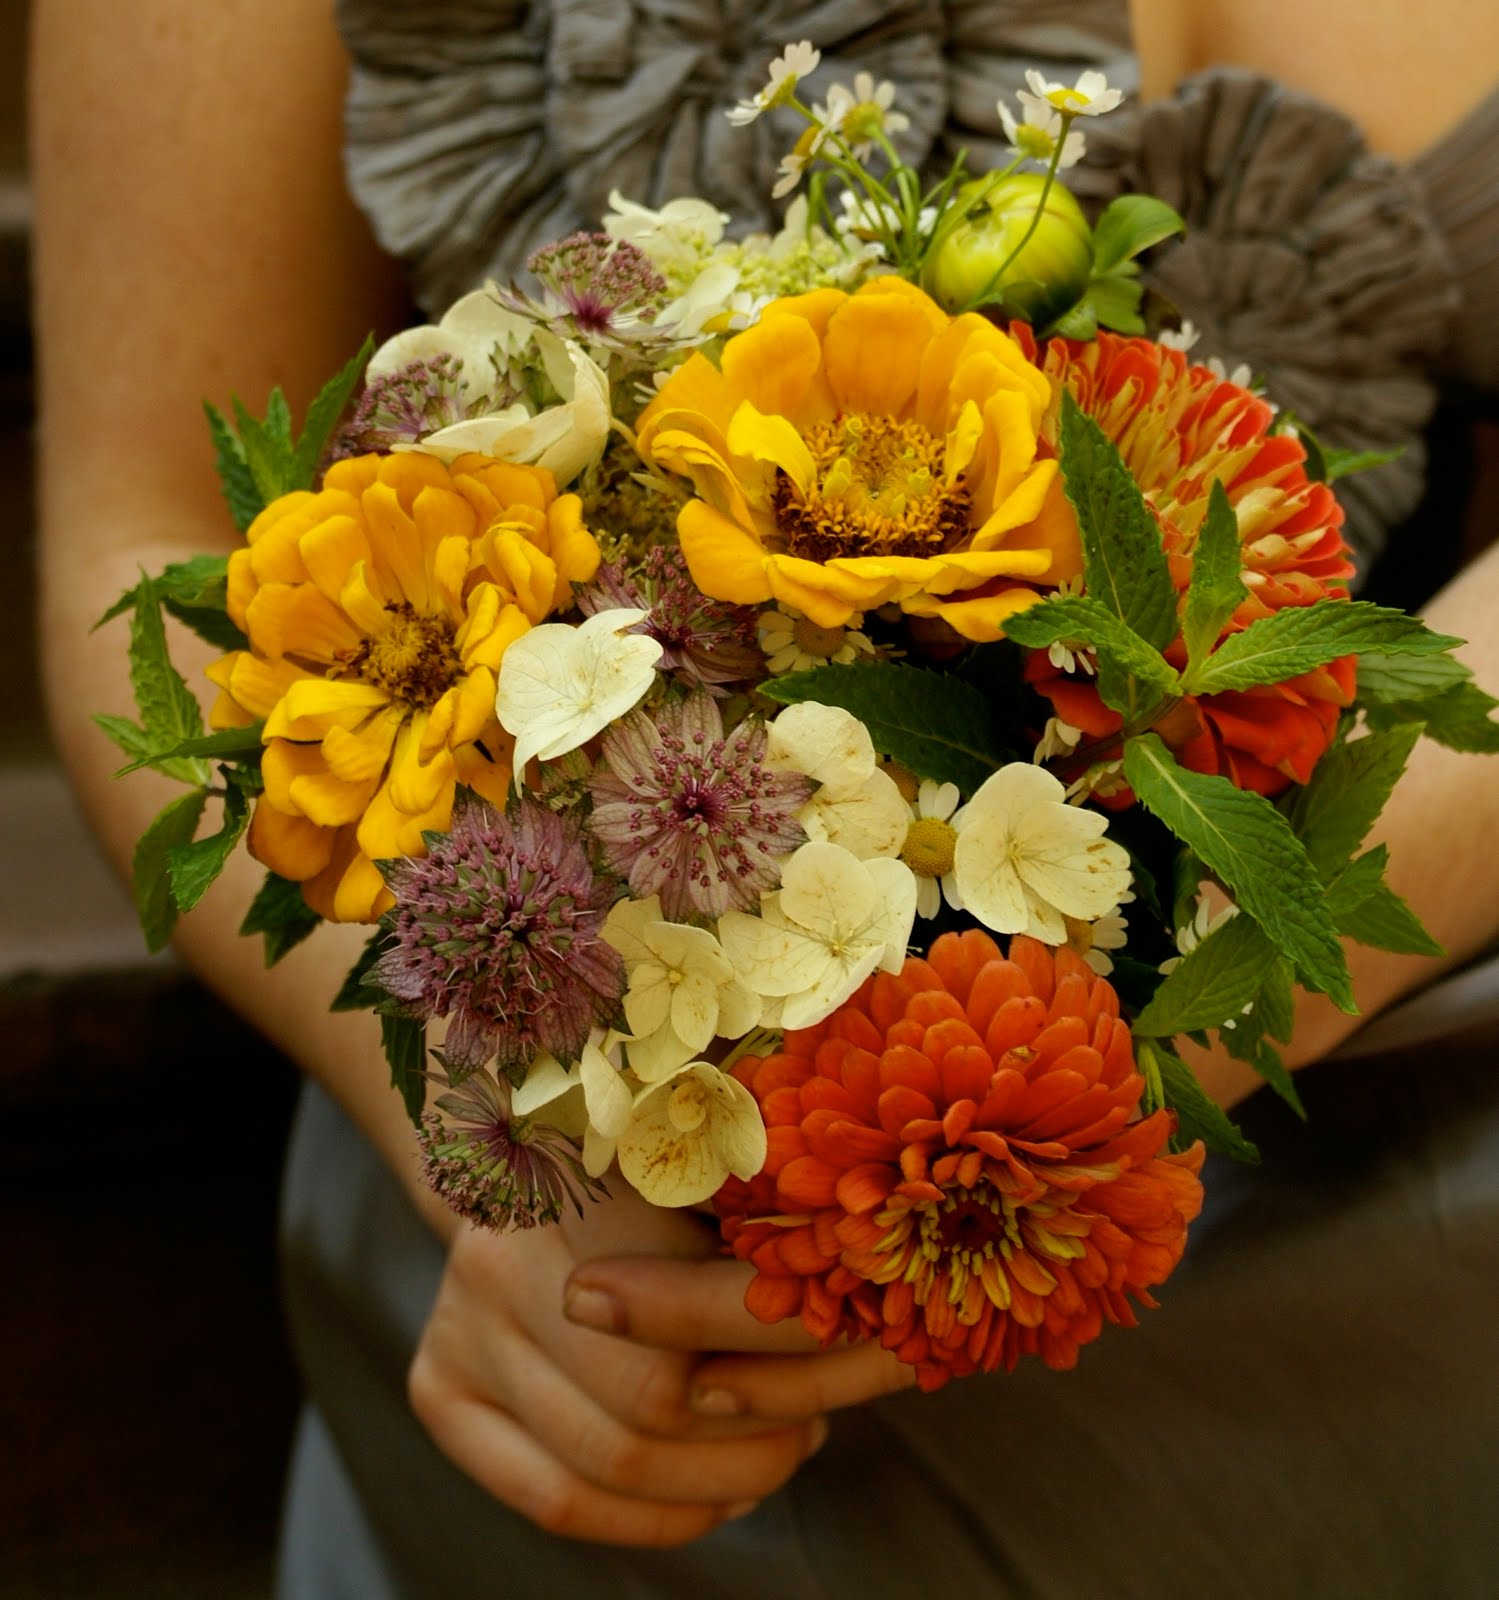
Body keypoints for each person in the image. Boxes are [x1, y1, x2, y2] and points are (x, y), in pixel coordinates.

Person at [30, 0, 1499, 1593]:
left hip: (1391, 1202)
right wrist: (492, 1135)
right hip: (575, 1178)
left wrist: (1094, 1084)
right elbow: (143, 534)